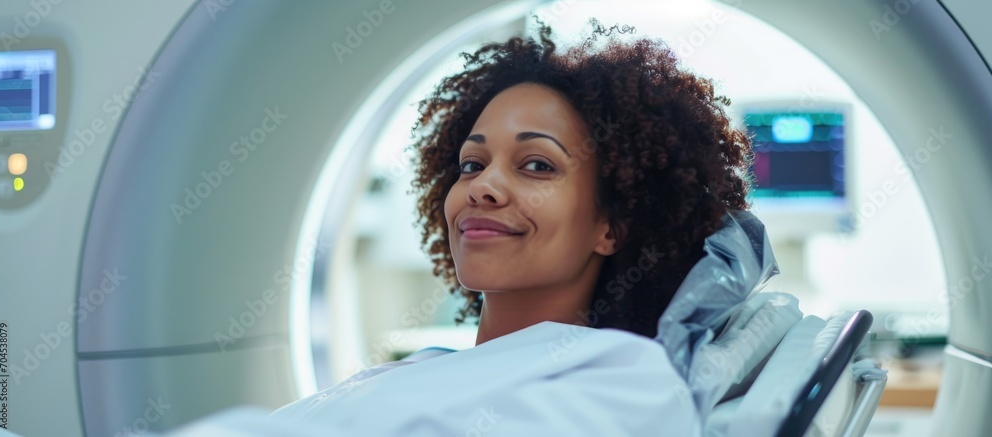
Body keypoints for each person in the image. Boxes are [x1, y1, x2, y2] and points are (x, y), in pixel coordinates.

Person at [271, 17, 754, 435]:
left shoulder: (621, 380)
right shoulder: (433, 363)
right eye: (472, 164)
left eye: (537, 165)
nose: (483, 187)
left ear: (612, 226)